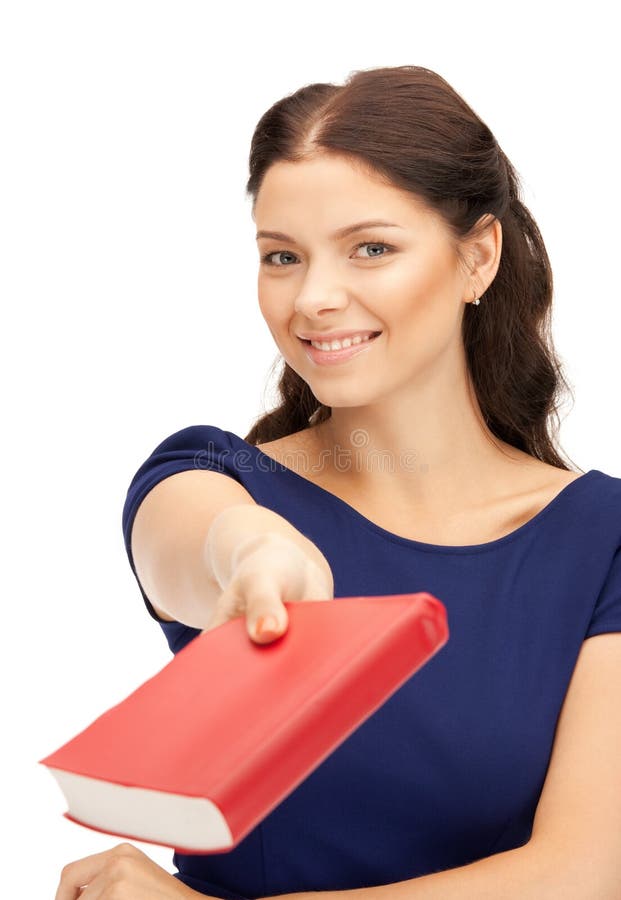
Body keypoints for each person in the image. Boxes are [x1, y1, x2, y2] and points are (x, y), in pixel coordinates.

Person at [55, 65, 621, 900]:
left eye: (371, 248)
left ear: (478, 256)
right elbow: (195, 538)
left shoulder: (599, 537)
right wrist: (253, 553)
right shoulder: (215, 477)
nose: (314, 297)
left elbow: (581, 874)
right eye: (281, 256)